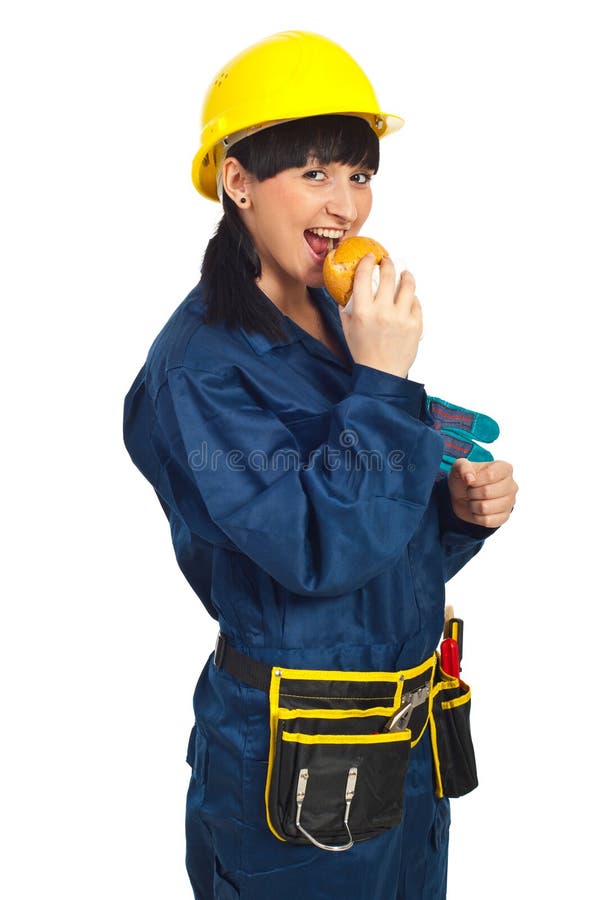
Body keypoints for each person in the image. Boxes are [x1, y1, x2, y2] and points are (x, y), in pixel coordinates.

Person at [123, 30, 517, 900]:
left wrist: (456, 511)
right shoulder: (199, 370)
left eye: (360, 174)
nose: (346, 204)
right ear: (236, 179)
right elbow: (314, 554)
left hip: (403, 743)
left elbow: (381, 543)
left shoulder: (340, 321)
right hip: (297, 765)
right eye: (313, 173)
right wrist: (381, 384)